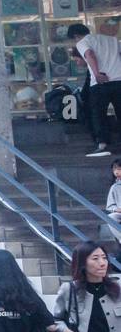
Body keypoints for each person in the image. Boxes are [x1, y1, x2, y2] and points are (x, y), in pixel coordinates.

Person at [69, 23, 121, 156]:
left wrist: (97, 73)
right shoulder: (112, 40)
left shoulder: (82, 42)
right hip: (119, 79)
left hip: (100, 82)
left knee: (98, 114)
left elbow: (90, 54)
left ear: (76, 36)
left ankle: (102, 144)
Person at [106, 158, 121, 230]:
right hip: (120, 213)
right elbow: (110, 205)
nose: (116, 172)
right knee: (111, 217)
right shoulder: (114, 187)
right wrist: (116, 209)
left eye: (119, 169)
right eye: (114, 170)